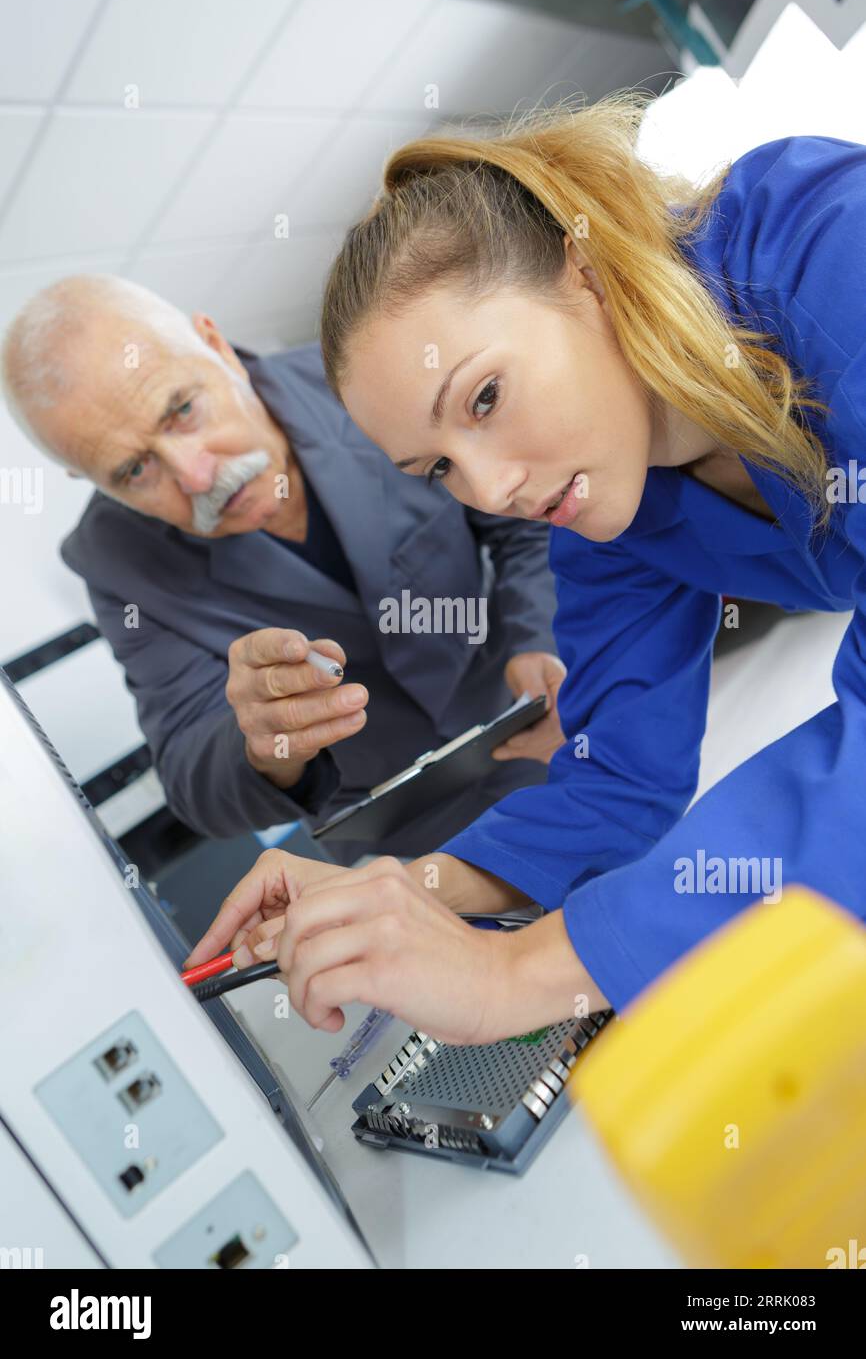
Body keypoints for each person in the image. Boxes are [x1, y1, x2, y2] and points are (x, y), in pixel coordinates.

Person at [187, 94, 866, 1045]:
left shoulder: (834, 253)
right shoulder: (605, 518)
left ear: (583, 271)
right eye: (439, 470)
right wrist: (401, 895)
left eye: (487, 396)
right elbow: (616, 781)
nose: (493, 487)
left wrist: (519, 974)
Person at [0, 277, 566, 863]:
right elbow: (192, 781)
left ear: (216, 346)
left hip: (539, 722)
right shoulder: (113, 559)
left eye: (183, 410)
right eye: (134, 471)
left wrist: (538, 637)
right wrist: (262, 745)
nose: (196, 476)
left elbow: (520, 520)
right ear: (88, 480)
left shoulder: (360, 380)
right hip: (412, 830)